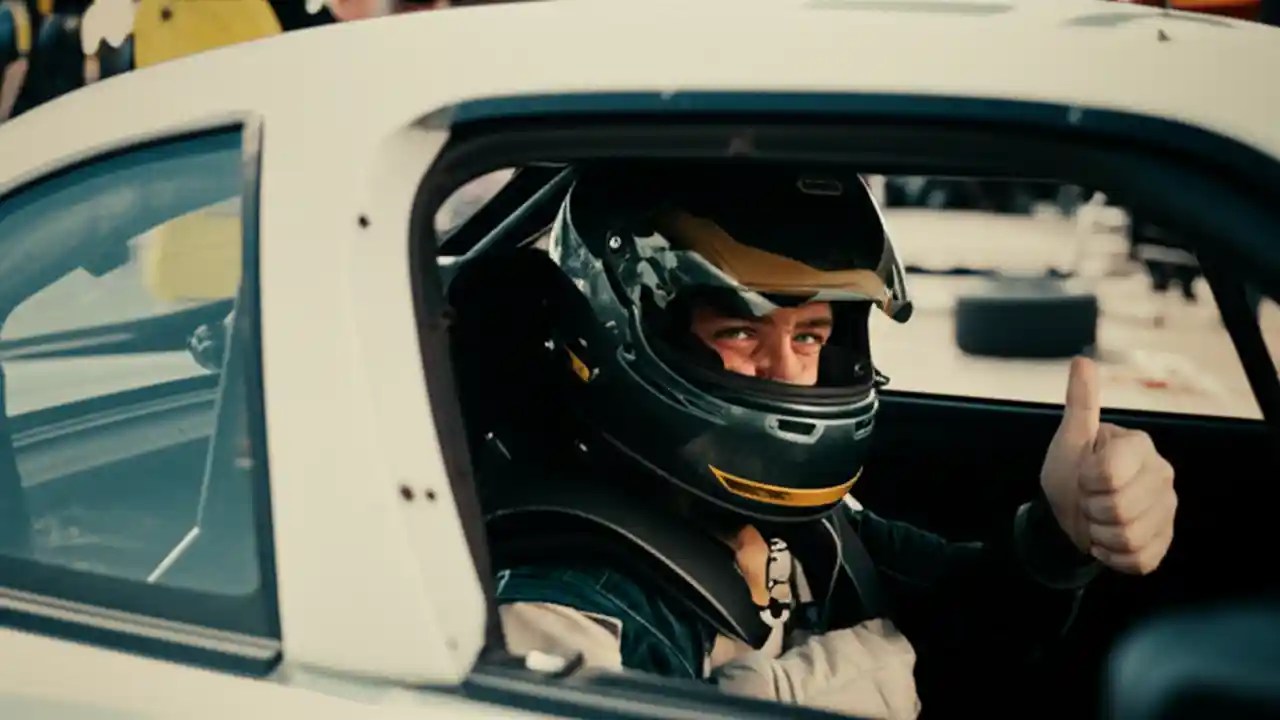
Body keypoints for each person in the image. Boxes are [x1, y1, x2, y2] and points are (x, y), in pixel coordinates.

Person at [449, 163, 1179, 718]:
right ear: (623, 333)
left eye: (812, 336)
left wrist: (1058, 535)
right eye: (739, 332)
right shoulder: (561, 614)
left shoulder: (803, 525)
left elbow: (967, 621)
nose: (790, 373)